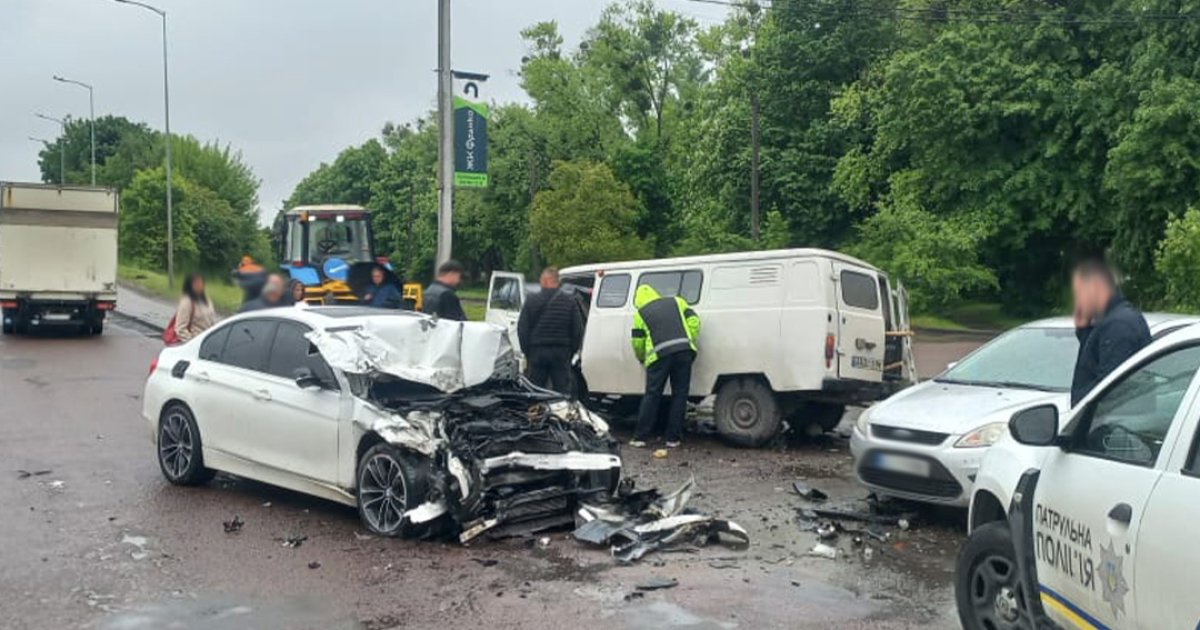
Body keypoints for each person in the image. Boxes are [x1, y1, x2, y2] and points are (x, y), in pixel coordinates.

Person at [1070, 258, 1151, 406]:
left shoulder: (1118, 325)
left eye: (1079, 293)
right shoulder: (1108, 321)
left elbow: (1110, 390)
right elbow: (1091, 369)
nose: (1078, 300)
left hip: (1118, 424)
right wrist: (1084, 329)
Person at [629, 285, 701, 449]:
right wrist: (687, 339)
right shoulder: (677, 301)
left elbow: (637, 342)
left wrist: (642, 358)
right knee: (680, 394)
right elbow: (694, 321)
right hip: (684, 352)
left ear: (638, 301)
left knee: (652, 395)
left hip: (659, 355)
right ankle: (673, 439)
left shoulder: (641, 313)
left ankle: (640, 437)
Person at [518, 267, 584, 394]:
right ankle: (561, 412)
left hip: (537, 352)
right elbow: (577, 330)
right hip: (561, 352)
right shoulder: (569, 301)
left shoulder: (531, 300)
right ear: (557, 281)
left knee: (535, 390)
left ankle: (537, 412)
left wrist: (528, 353)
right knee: (563, 390)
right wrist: (571, 351)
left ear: (545, 280)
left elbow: (522, 329)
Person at [174, 273, 218, 343]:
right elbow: (180, 328)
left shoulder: (206, 300)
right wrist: (191, 342)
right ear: (190, 285)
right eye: (196, 283)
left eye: (201, 283)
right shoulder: (187, 301)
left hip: (206, 341)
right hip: (194, 342)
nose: (199, 285)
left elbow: (212, 320)